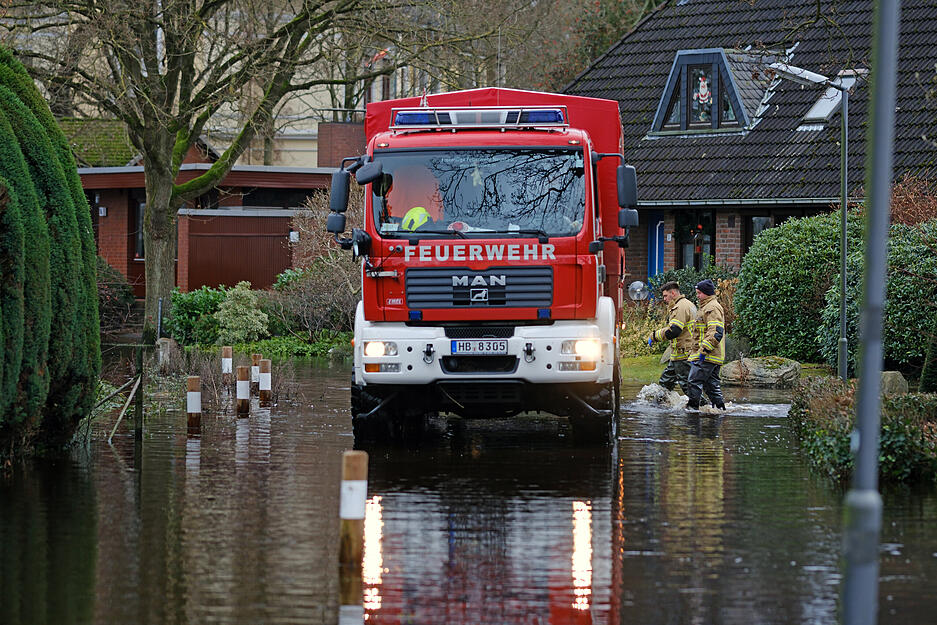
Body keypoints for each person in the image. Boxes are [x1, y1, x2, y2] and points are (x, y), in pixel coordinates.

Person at [647, 281, 697, 396]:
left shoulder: (680, 307)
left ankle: (701, 409)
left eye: (665, 296)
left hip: (683, 355)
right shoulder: (688, 304)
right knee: (665, 384)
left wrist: (655, 336)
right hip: (678, 355)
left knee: (687, 386)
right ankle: (662, 406)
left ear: (673, 293)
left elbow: (674, 330)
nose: (664, 299)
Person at [687, 279, 726, 411]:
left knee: (694, 381)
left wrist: (704, 350)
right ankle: (720, 409)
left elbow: (715, 331)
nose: (697, 296)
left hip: (707, 354)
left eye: (699, 293)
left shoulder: (711, 307)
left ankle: (692, 410)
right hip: (712, 355)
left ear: (707, 293)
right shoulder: (706, 307)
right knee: (711, 385)